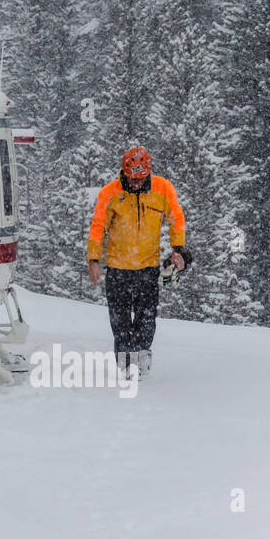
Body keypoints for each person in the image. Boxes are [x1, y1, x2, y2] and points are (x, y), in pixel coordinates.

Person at [86, 146, 187, 379]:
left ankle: (142, 358)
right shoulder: (110, 193)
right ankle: (124, 365)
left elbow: (176, 219)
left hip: (147, 266)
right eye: (131, 179)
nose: (136, 184)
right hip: (118, 267)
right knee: (120, 320)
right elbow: (98, 227)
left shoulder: (163, 188)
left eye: (140, 179)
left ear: (148, 173)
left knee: (146, 317)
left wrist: (178, 249)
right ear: (124, 172)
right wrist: (93, 259)